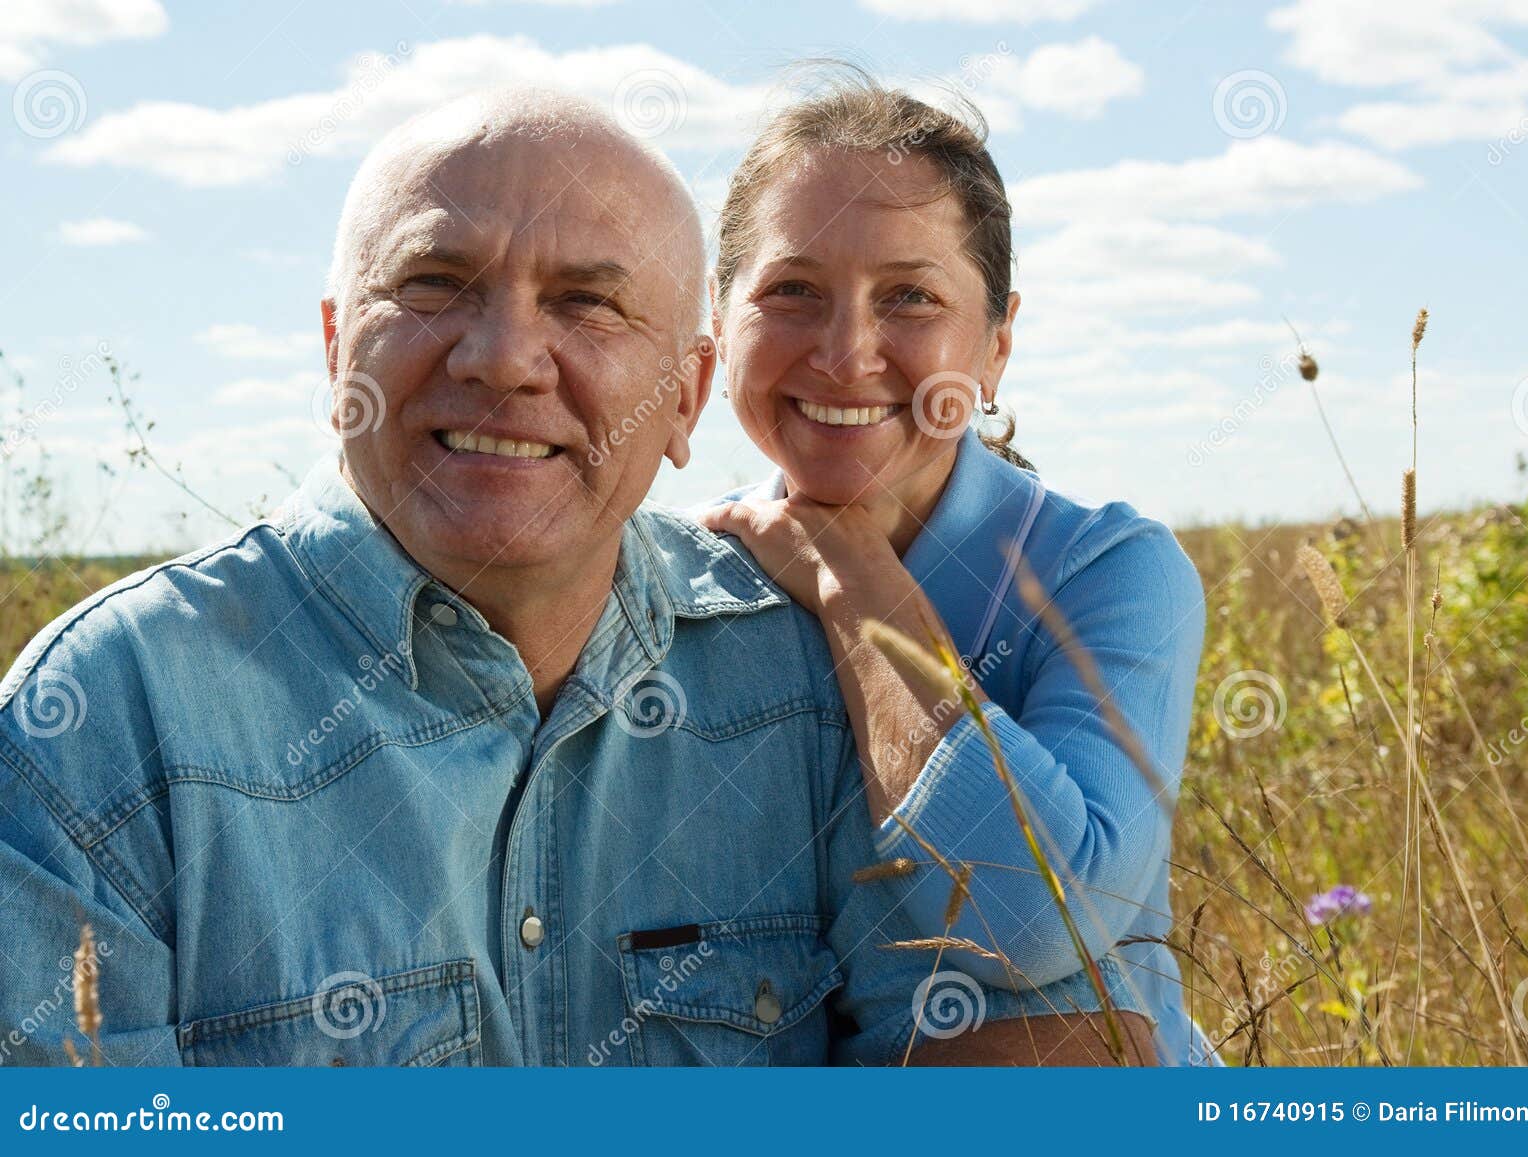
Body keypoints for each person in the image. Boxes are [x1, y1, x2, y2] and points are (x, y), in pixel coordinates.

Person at [0, 88, 1149, 1067]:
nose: (501, 357)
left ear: (688, 396)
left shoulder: (802, 674)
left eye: (586, 302)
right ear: (334, 344)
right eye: (437, 282)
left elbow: (1026, 1049)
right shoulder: (109, 720)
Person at [698, 73, 1218, 1065]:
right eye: (792, 290)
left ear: (995, 345)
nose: (847, 351)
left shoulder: (1103, 569)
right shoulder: (683, 587)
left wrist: (862, 595)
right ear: (722, 328)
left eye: (910, 297)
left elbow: (1038, 918)